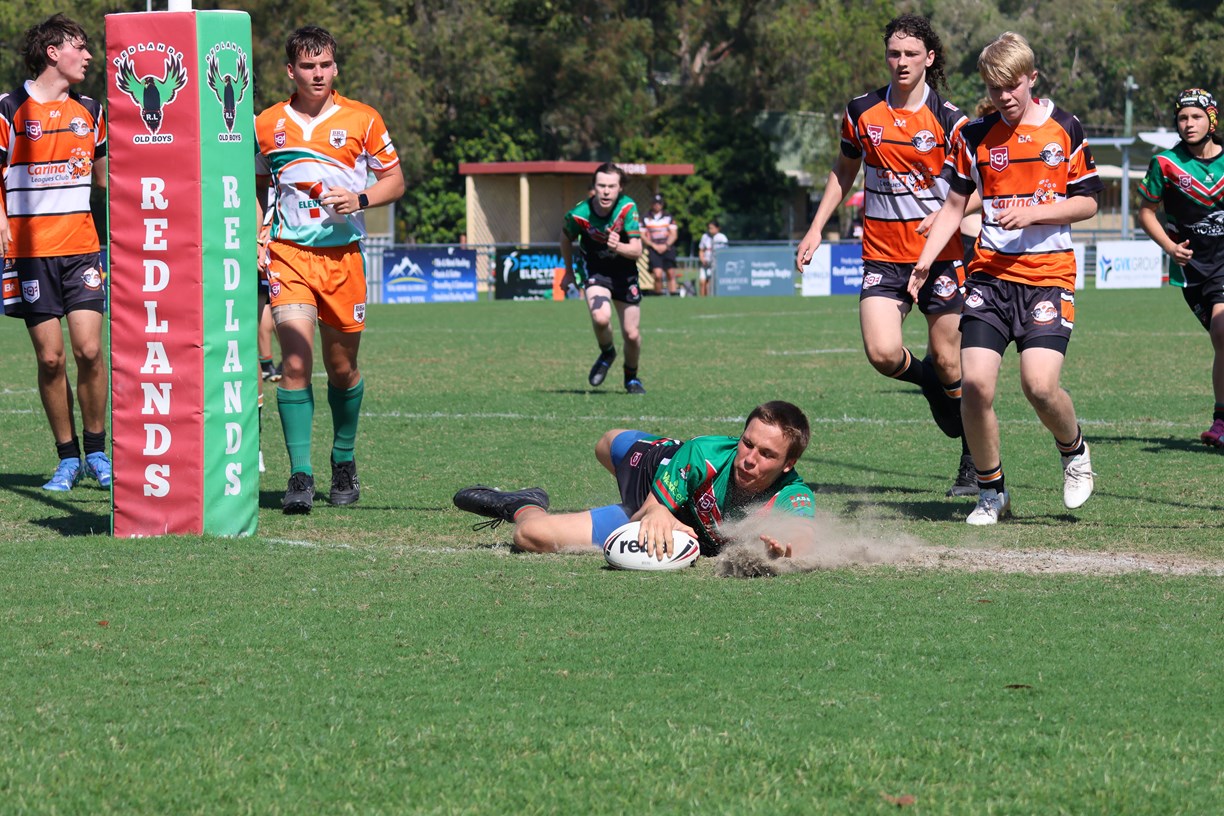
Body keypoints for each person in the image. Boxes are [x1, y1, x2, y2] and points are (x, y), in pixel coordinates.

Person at [910, 31, 1103, 525]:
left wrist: (1037, 213)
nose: (1004, 97)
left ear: (1031, 78)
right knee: (975, 385)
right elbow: (955, 206)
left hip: (1047, 277)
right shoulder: (974, 136)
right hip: (990, 280)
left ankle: (1074, 451)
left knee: (1039, 387)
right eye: (995, 89)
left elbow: (1087, 201)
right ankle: (992, 492)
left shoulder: (1064, 127)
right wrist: (925, 261)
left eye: (1012, 87)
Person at [794, 14, 975, 498]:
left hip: (941, 257)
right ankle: (931, 386)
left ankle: (973, 459)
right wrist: (816, 228)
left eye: (911, 54)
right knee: (882, 352)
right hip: (882, 255)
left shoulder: (951, 119)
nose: (901, 62)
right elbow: (843, 171)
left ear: (929, 59)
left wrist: (944, 216)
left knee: (949, 358)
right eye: (894, 53)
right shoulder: (862, 111)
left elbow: (979, 188)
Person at [255, 26, 405, 514]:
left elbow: (395, 181)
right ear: (290, 71)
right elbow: (259, 185)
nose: (317, 75)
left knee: (341, 368)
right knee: (295, 362)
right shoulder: (267, 123)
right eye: (307, 67)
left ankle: (344, 459)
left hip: (343, 259)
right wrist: (258, 233)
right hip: (289, 255)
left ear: (334, 68)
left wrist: (359, 197)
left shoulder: (362, 119)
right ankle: (299, 474)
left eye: (324, 66)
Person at [452, 401, 817, 559]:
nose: (749, 460)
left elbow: (802, 534)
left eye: (766, 455)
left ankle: (523, 503)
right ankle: (660, 453)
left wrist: (784, 550)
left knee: (530, 537)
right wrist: (663, 514)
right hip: (656, 470)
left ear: (789, 464)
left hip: (647, 513)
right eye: (747, 444)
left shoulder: (792, 494)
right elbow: (650, 513)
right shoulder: (704, 454)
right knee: (606, 442)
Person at [0, 14, 110, 491]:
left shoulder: (92, 109)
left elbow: (105, 181)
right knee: (50, 360)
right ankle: (67, 458)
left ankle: (98, 451)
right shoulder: (9, 108)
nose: (88, 56)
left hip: (83, 249)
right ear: (52, 52)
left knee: (89, 350)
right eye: (79, 47)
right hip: (30, 256)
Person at [1137, 88, 1224, 448]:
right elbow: (1144, 211)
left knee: (1223, 332)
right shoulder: (1165, 164)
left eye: (1196, 117)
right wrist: (1170, 247)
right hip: (1193, 271)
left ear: (1212, 120)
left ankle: (1220, 422)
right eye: (1183, 117)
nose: (1188, 124)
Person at [561, 162, 646, 394]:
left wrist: (618, 246)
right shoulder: (579, 214)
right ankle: (608, 352)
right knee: (600, 317)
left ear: (620, 188)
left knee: (632, 334)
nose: (606, 191)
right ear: (594, 188)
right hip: (595, 270)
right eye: (601, 186)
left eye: (611, 186)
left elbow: (637, 250)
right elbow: (565, 237)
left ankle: (631, 377)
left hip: (625, 273)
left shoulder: (627, 209)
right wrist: (569, 271)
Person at [642, 193, 679, 295]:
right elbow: (642, 235)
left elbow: (674, 234)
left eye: (659, 203)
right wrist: (654, 246)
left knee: (670, 273)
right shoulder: (645, 217)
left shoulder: (668, 217)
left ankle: (673, 294)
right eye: (655, 203)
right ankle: (658, 294)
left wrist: (666, 245)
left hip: (667, 248)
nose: (657, 205)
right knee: (657, 274)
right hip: (654, 248)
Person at [698, 220, 727, 297]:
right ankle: (702, 299)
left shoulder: (722, 237)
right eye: (709, 228)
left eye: (712, 228)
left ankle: (709, 299)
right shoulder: (705, 237)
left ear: (718, 228)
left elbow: (725, 252)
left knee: (710, 283)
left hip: (715, 264)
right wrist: (702, 259)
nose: (710, 230)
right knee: (702, 281)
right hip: (705, 264)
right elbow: (701, 250)